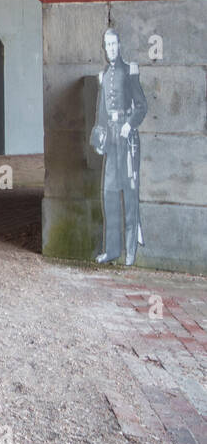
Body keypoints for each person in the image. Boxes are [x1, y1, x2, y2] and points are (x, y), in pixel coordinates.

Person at [91, 28, 146, 266]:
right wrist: (99, 140)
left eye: (114, 44)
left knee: (130, 196)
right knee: (109, 195)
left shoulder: (129, 71)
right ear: (104, 48)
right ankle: (112, 250)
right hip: (112, 142)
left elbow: (142, 106)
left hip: (127, 141)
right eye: (107, 45)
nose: (111, 49)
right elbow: (101, 113)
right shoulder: (103, 75)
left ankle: (131, 250)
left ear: (119, 45)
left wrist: (129, 125)